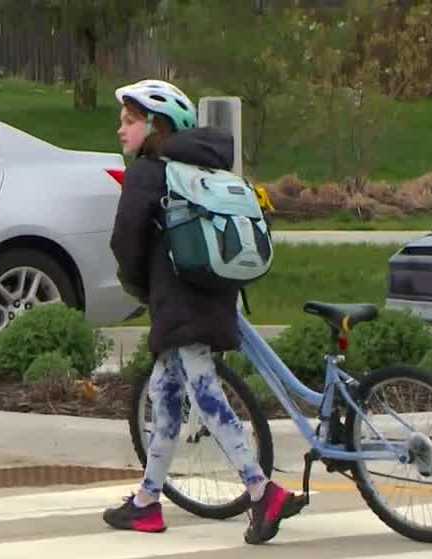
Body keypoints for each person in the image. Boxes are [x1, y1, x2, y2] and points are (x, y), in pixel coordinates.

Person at [104, 79, 304, 545]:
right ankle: (147, 502)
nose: (121, 130)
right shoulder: (206, 166)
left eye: (129, 121)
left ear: (155, 125)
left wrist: (137, 285)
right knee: (165, 391)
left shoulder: (149, 172)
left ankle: (261, 490)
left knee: (203, 390)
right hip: (213, 290)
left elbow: (126, 240)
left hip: (177, 299)